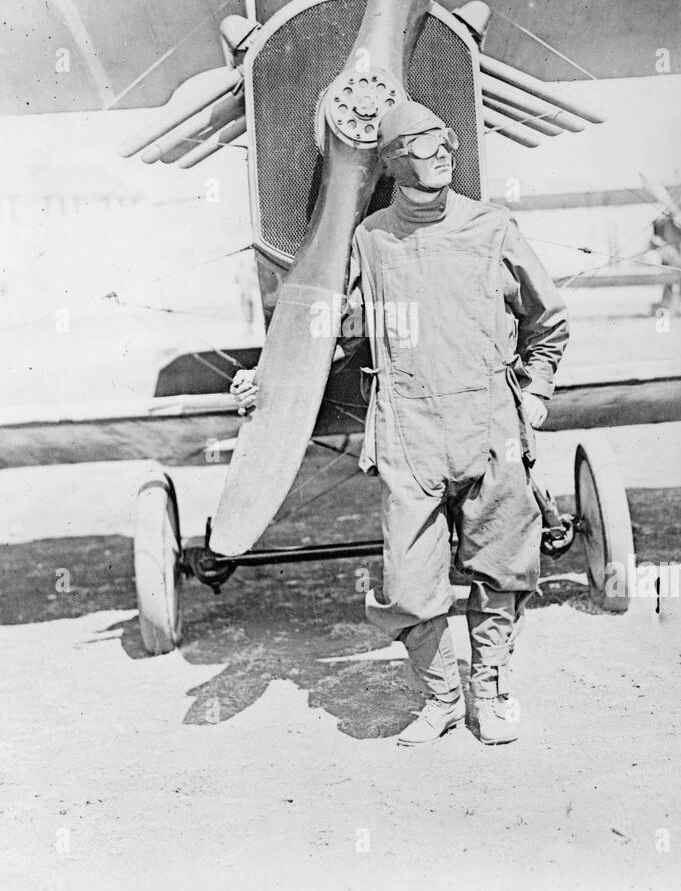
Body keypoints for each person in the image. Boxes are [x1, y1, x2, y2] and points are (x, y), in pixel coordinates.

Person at [232, 102, 568, 747]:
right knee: (409, 588)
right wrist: (266, 380)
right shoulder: (369, 239)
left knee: (502, 570)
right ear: (390, 161)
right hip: (408, 430)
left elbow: (547, 320)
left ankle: (490, 692)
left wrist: (536, 395)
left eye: (444, 139)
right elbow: (320, 327)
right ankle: (440, 699)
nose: (440, 151)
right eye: (419, 143)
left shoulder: (493, 227)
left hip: (491, 423)